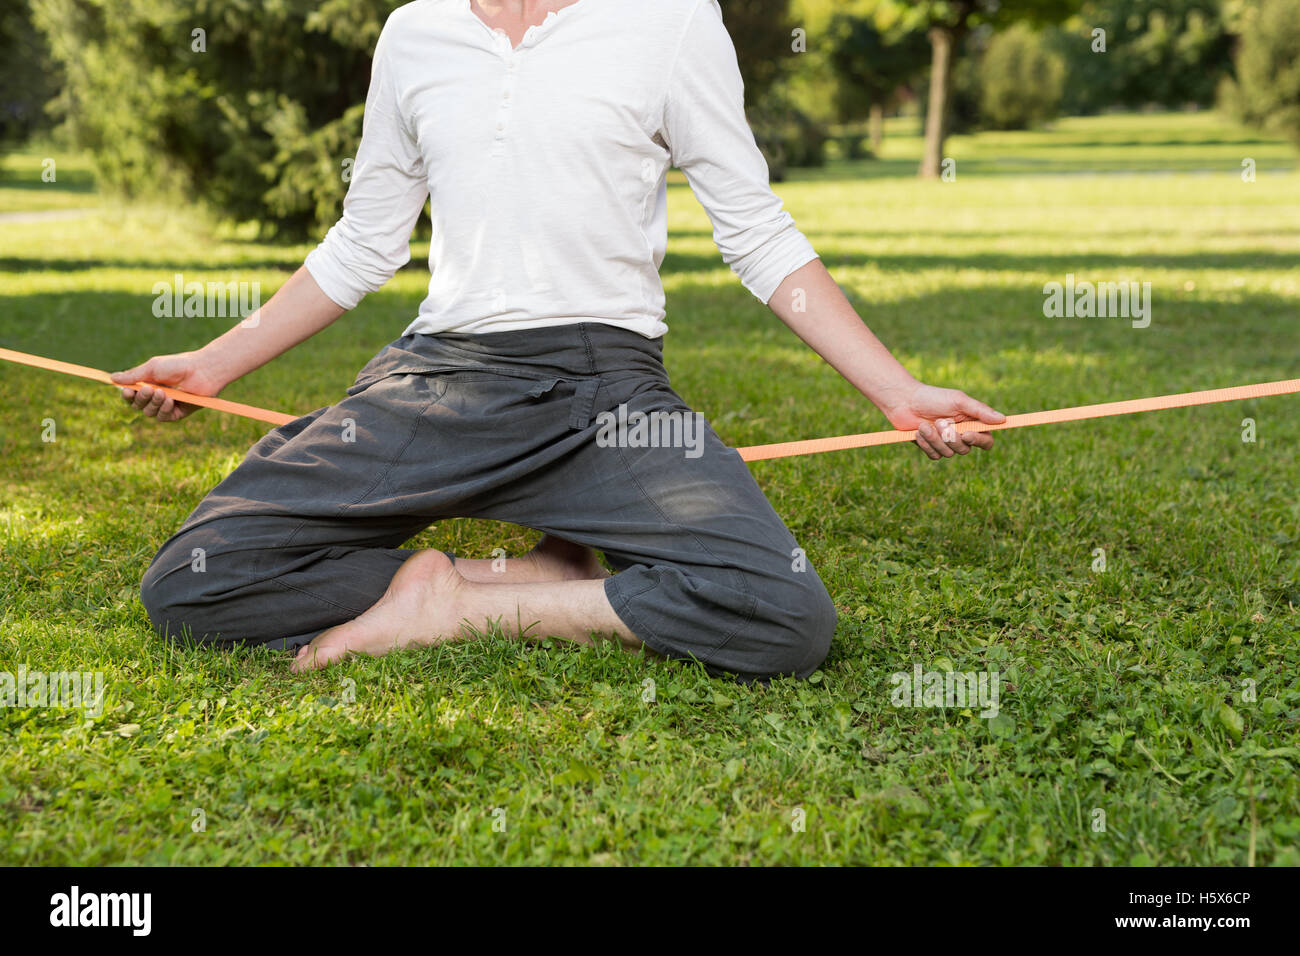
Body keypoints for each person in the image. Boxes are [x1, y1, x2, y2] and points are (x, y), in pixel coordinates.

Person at [113, 0, 1004, 682]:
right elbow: (364, 242)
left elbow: (756, 233)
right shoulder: (416, 32)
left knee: (782, 610)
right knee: (195, 581)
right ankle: (524, 572)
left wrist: (895, 389)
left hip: (602, 390)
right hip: (435, 378)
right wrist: (212, 363)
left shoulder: (671, 20)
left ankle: (456, 607)